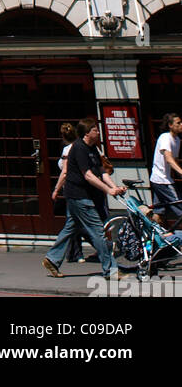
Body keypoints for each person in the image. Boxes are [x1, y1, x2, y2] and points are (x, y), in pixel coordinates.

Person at [42, 117, 127, 278]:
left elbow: (101, 172)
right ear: (87, 133)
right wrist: (108, 191)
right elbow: (87, 175)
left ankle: (52, 260)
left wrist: (114, 187)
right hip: (79, 196)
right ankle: (110, 270)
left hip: (87, 196)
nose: (98, 131)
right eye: (95, 129)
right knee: (98, 232)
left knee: (71, 228)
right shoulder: (79, 148)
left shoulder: (93, 148)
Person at [50, 121, 84, 263]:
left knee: (78, 224)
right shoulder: (82, 147)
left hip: (73, 191)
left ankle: (57, 256)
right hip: (78, 191)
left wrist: (56, 190)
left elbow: (64, 172)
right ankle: (73, 253)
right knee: (74, 223)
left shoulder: (68, 150)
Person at [149, 112, 182, 226]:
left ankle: (152, 237)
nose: (181, 125)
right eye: (178, 123)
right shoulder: (165, 138)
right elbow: (168, 158)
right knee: (179, 207)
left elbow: (175, 160)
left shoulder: (177, 140)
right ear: (170, 125)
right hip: (162, 180)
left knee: (158, 212)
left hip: (163, 179)